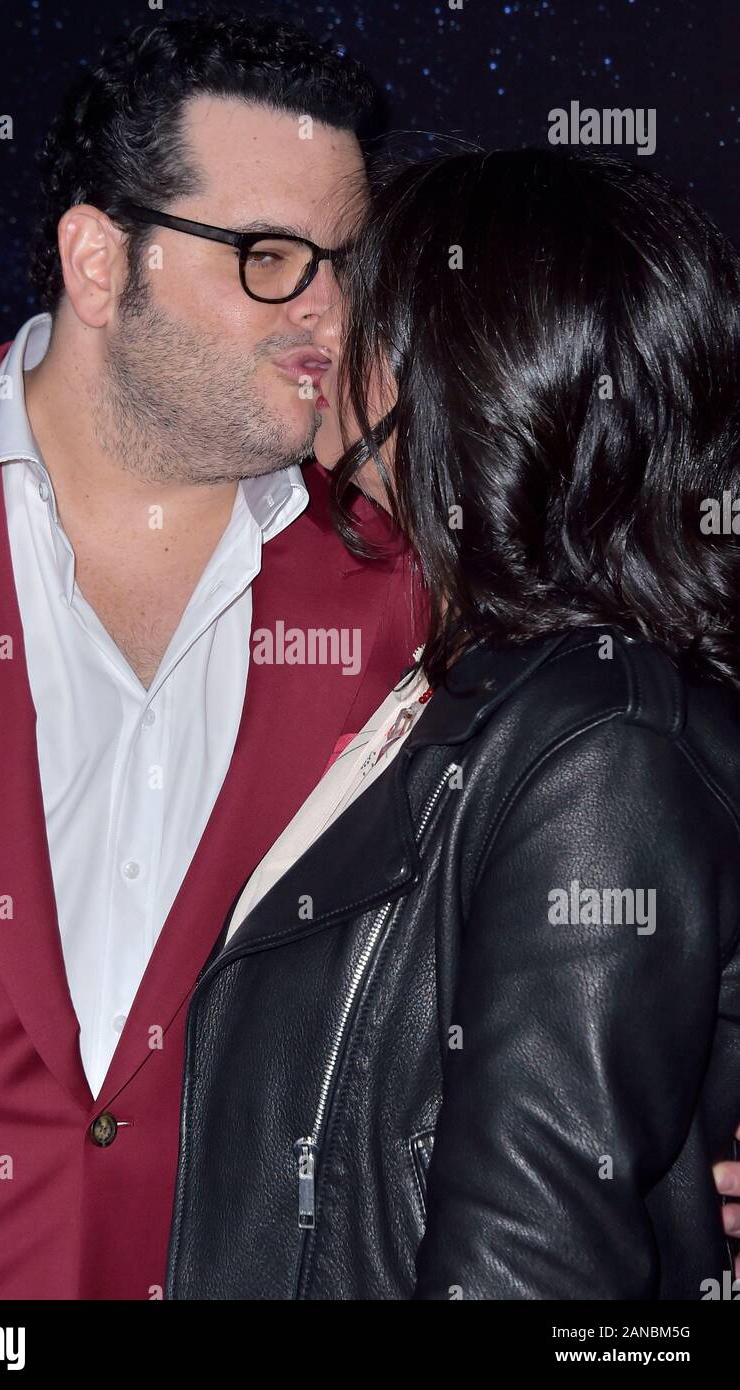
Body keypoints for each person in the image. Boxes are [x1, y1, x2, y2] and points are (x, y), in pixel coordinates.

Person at [0, 17, 423, 1299]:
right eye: (272, 258)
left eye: (349, 265)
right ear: (95, 259)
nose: (328, 316)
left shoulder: (404, 599)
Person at [165, 148, 740, 1299]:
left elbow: (536, 1270)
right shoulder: (484, 691)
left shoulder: (598, 750)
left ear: (484, 369)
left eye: (373, 307)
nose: (323, 326)